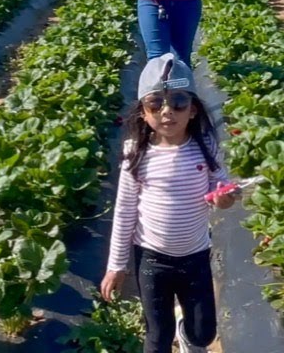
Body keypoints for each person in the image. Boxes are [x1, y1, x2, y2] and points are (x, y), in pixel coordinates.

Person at [100, 53, 236, 353]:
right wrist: (117, 265)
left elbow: (220, 187)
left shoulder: (204, 146)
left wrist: (224, 197)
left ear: (193, 109)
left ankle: (187, 335)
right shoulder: (137, 154)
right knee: (156, 336)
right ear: (142, 113)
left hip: (196, 255)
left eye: (178, 102)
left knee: (204, 333)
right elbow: (124, 212)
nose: (167, 112)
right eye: (155, 104)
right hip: (152, 259)